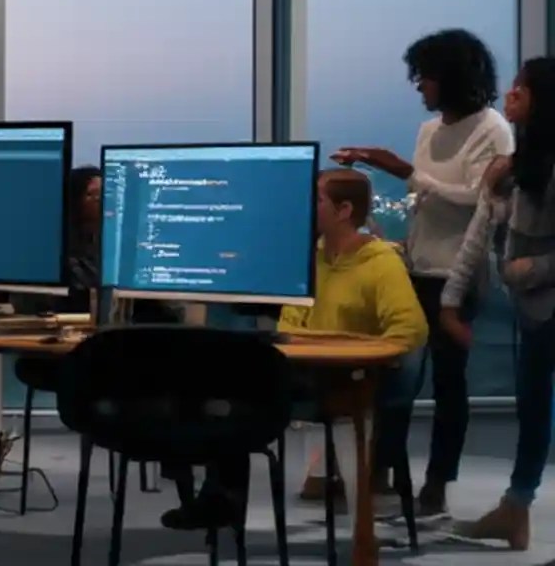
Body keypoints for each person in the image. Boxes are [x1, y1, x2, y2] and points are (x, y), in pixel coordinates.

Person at [160, 169, 429, 530]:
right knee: (223, 393)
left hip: (352, 381)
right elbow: (290, 324)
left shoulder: (381, 262)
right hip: (306, 374)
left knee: (237, 397)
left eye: (316, 199)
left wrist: (346, 349)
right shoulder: (310, 259)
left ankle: (219, 495)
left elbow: (409, 330)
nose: (304, 206)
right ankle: (219, 496)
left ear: (343, 210)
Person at [332, 28, 513, 516]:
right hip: (418, 264)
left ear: (450, 77)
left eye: (425, 77)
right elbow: (429, 199)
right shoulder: (430, 129)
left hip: (461, 271)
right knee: (400, 371)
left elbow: (479, 200)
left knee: (449, 380)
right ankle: (385, 469)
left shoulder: (492, 129)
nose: (419, 87)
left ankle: (437, 480)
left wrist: (404, 172)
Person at [454, 57, 555, 551]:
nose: (510, 95)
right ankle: (515, 509)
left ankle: (516, 507)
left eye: (521, 87)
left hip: (543, 302)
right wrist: (494, 192)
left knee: (536, 407)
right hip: (534, 311)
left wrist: (526, 272)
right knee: (533, 408)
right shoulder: (524, 164)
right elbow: (499, 235)